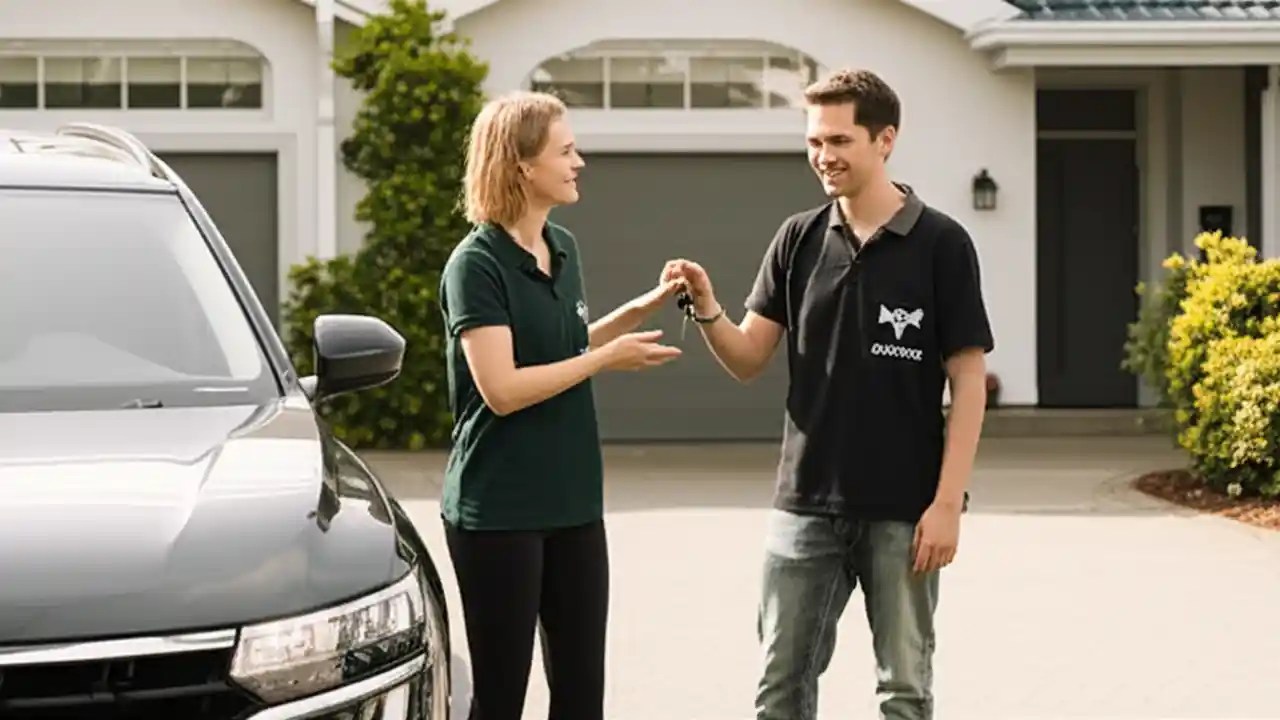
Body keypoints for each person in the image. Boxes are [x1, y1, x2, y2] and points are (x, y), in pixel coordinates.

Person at [663, 68, 994, 720]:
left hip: (904, 511)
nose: (823, 156)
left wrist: (948, 503)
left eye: (839, 140)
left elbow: (969, 380)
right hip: (804, 505)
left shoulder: (942, 244)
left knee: (904, 694)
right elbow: (749, 358)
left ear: (885, 140)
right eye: (815, 141)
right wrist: (707, 309)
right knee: (779, 689)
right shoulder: (798, 238)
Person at [438, 90, 683, 720]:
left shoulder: (563, 247)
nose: (580, 162)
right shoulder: (476, 265)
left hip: (574, 504)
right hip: (498, 514)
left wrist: (639, 309)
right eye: (566, 150)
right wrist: (606, 360)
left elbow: (565, 344)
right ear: (522, 165)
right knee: (500, 698)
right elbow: (504, 388)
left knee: (581, 696)